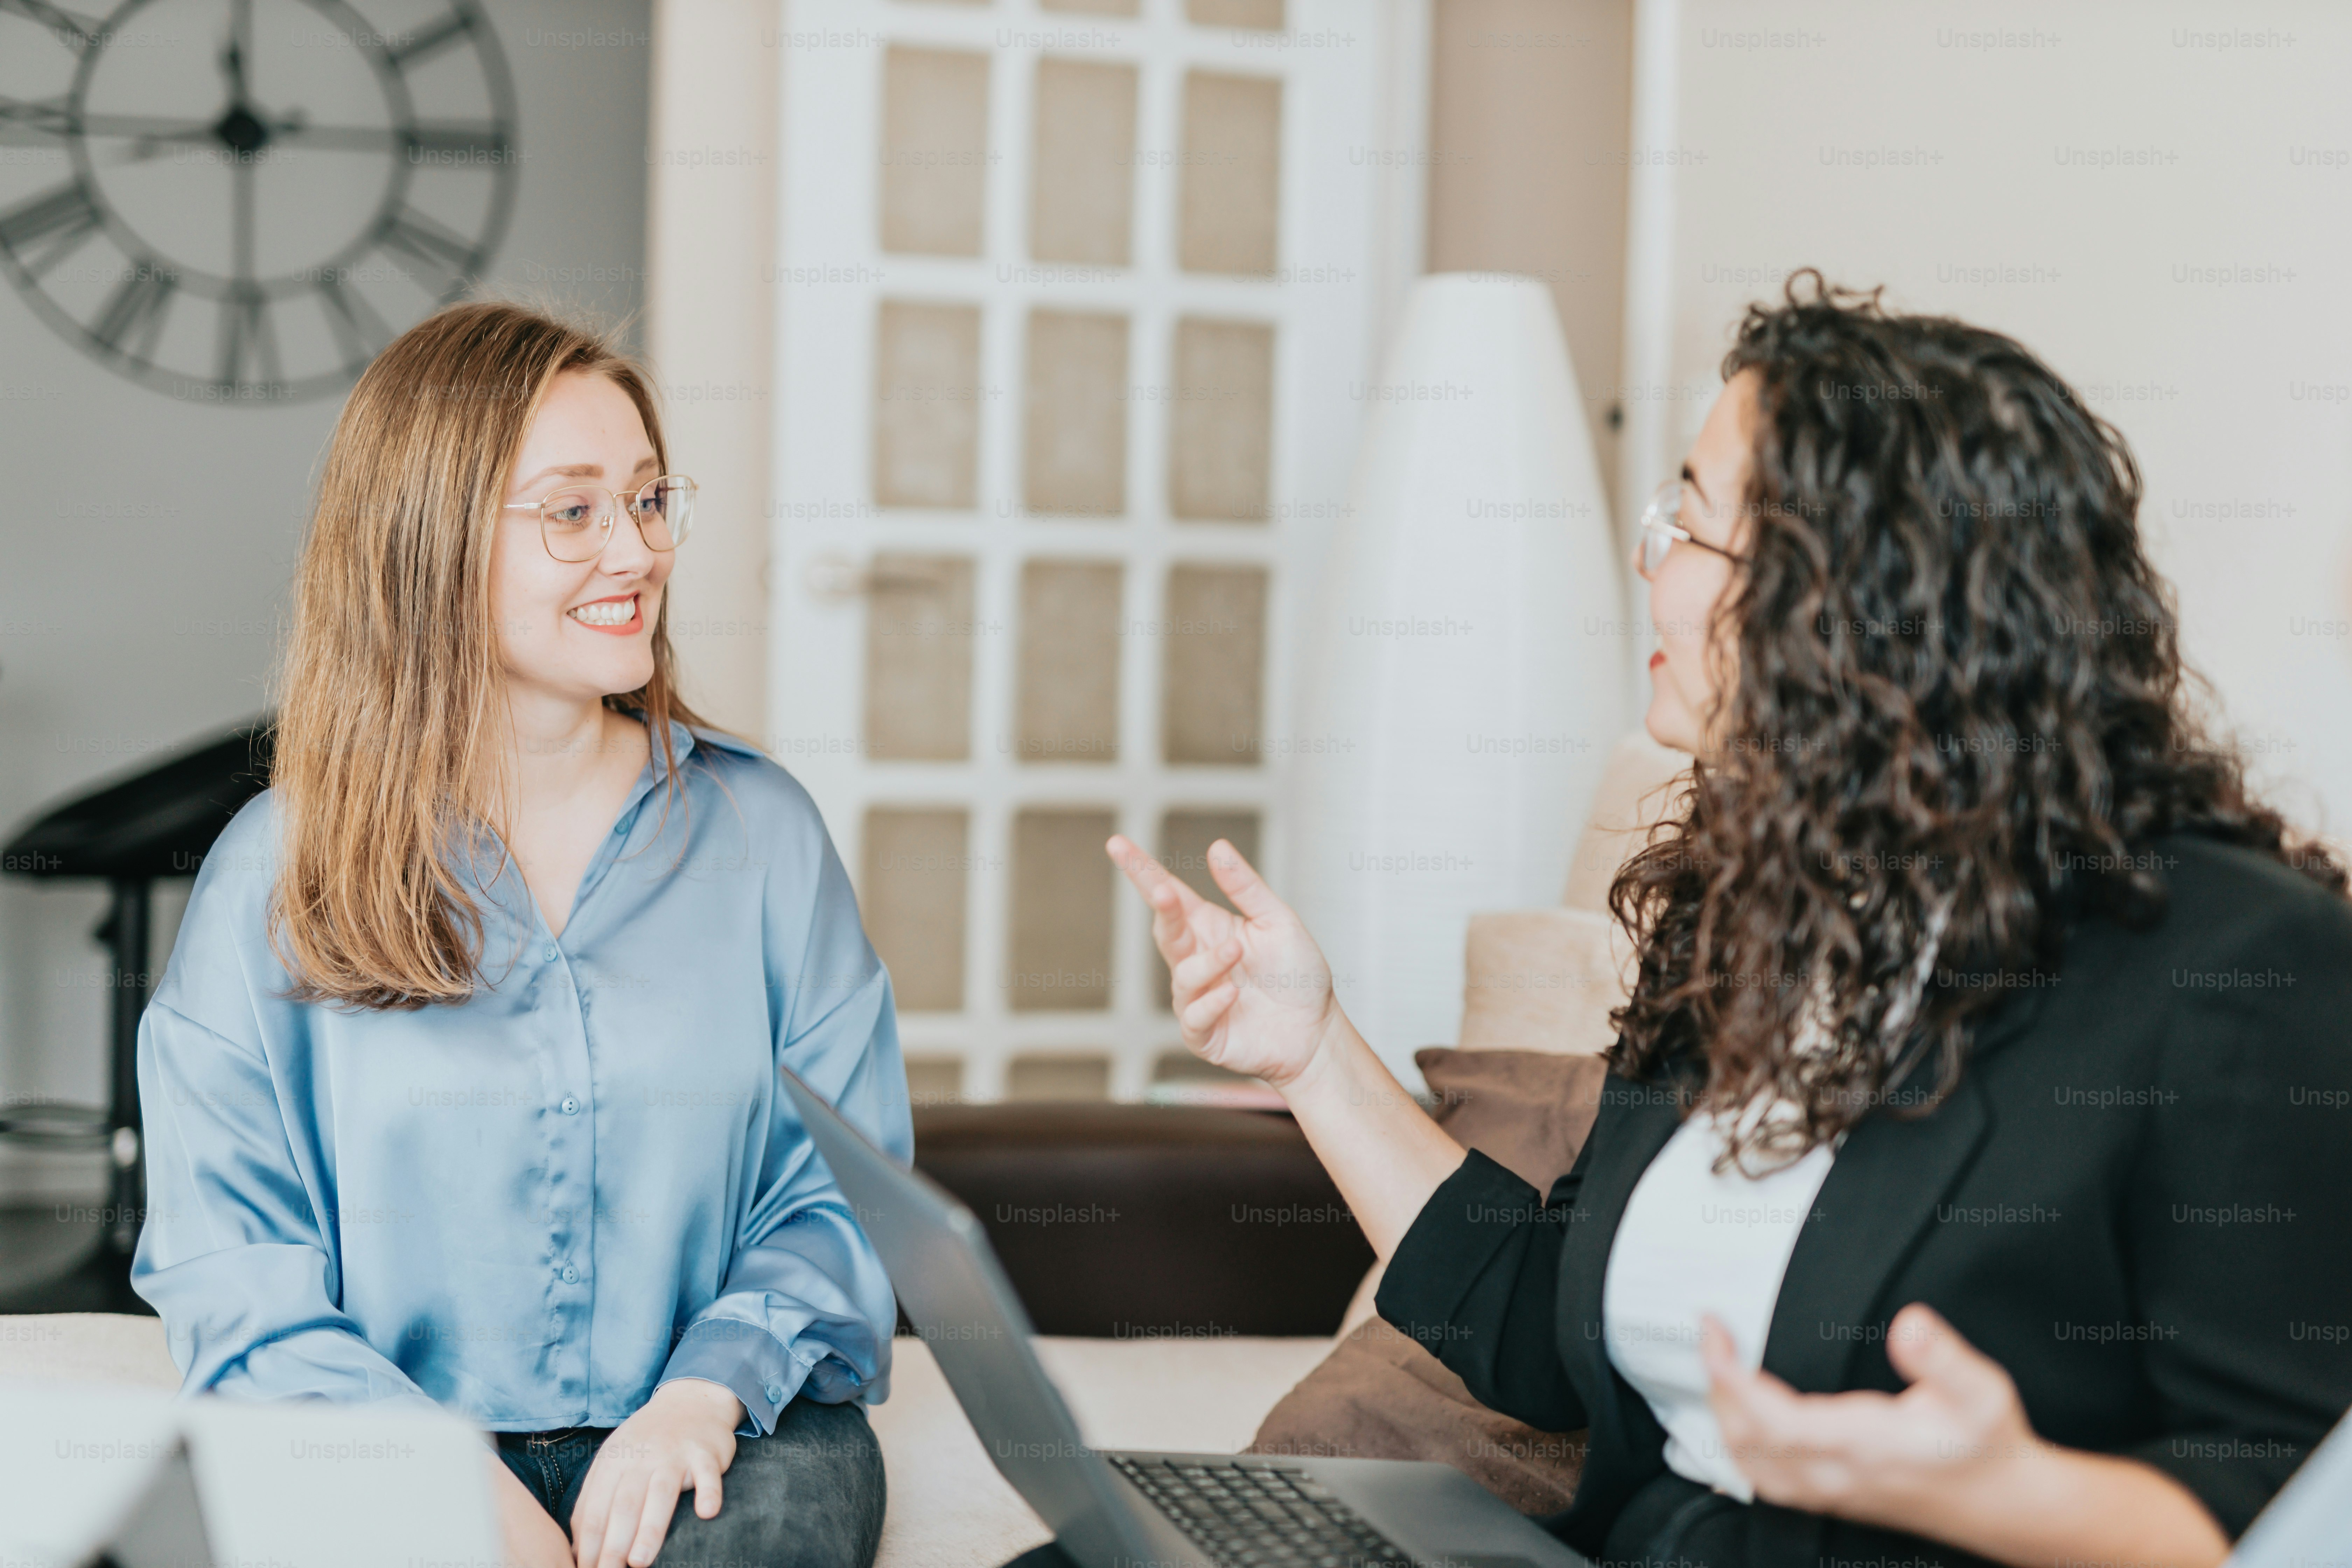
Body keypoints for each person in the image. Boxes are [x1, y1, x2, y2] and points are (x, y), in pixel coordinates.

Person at [1108, 274, 2352, 1567]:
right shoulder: (1762, 907)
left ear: (1857, 596)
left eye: (1691, 526)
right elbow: (1550, 1343)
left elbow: (2295, 1499)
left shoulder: (2238, 967)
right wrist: (1311, 1055)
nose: (1653, 565)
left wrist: (2004, 1494)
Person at [133, 301, 905, 1568]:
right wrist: (430, 1471)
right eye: (575, 511)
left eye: (652, 500)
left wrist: (700, 1398)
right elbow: (232, 1263)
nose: (638, 551)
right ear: (429, 544)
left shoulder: (763, 836)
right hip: (381, 1433)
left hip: (722, 1429)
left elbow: (839, 1193)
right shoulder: (276, 870)